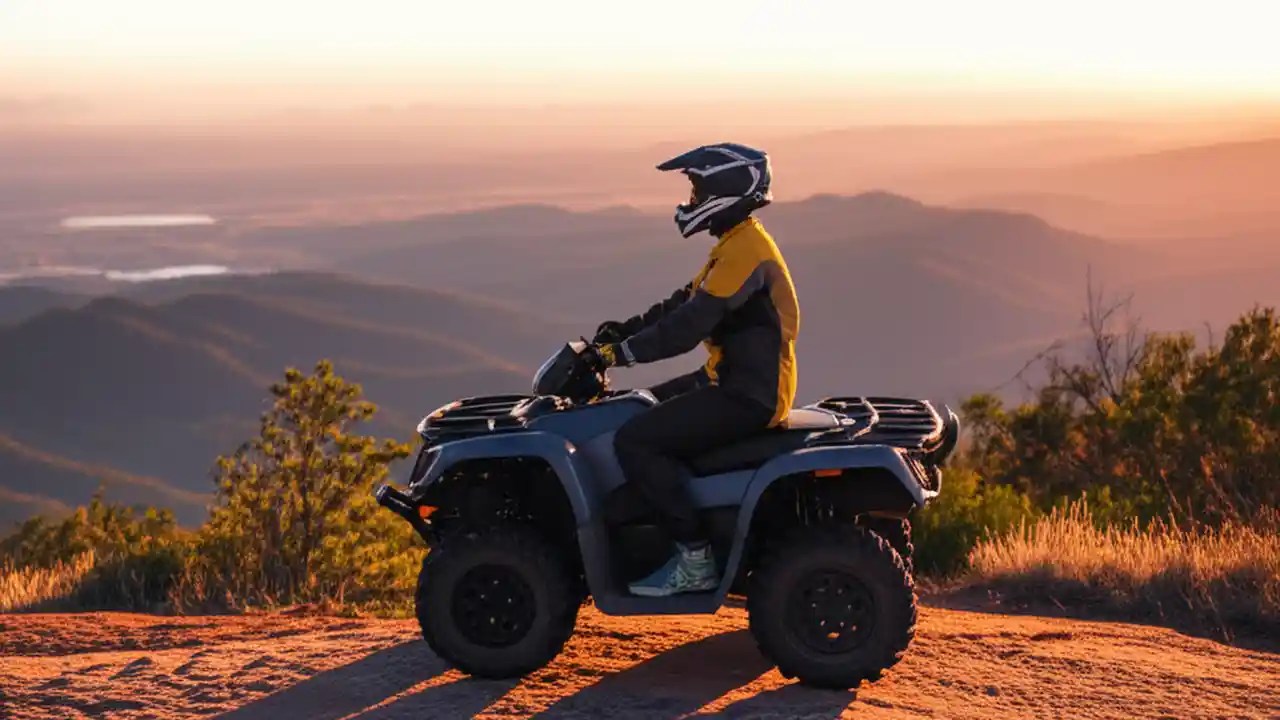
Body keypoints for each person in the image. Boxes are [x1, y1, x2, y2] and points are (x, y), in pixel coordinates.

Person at [586, 142, 800, 596]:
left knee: (635, 439)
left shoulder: (747, 251)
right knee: (634, 406)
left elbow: (688, 327)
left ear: (726, 191)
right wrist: (619, 333)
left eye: (698, 191)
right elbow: (680, 304)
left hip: (747, 396)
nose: (691, 202)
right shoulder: (737, 243)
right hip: (730, 381)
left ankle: (694, 558)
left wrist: (619, 356)